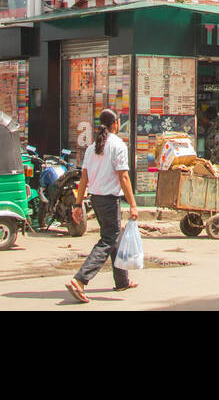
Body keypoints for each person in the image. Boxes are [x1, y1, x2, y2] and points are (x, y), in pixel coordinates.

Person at [67, 109, 139, 303]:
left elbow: (84, 178)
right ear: (115, 123)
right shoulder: (117, 145)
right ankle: (80, 280)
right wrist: (133, 204)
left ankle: (122, 280)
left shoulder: (92, 147)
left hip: (96, 199)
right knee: (109, 239)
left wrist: (77, 204)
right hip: (108, 200)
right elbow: (123, 177)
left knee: (115, 236)